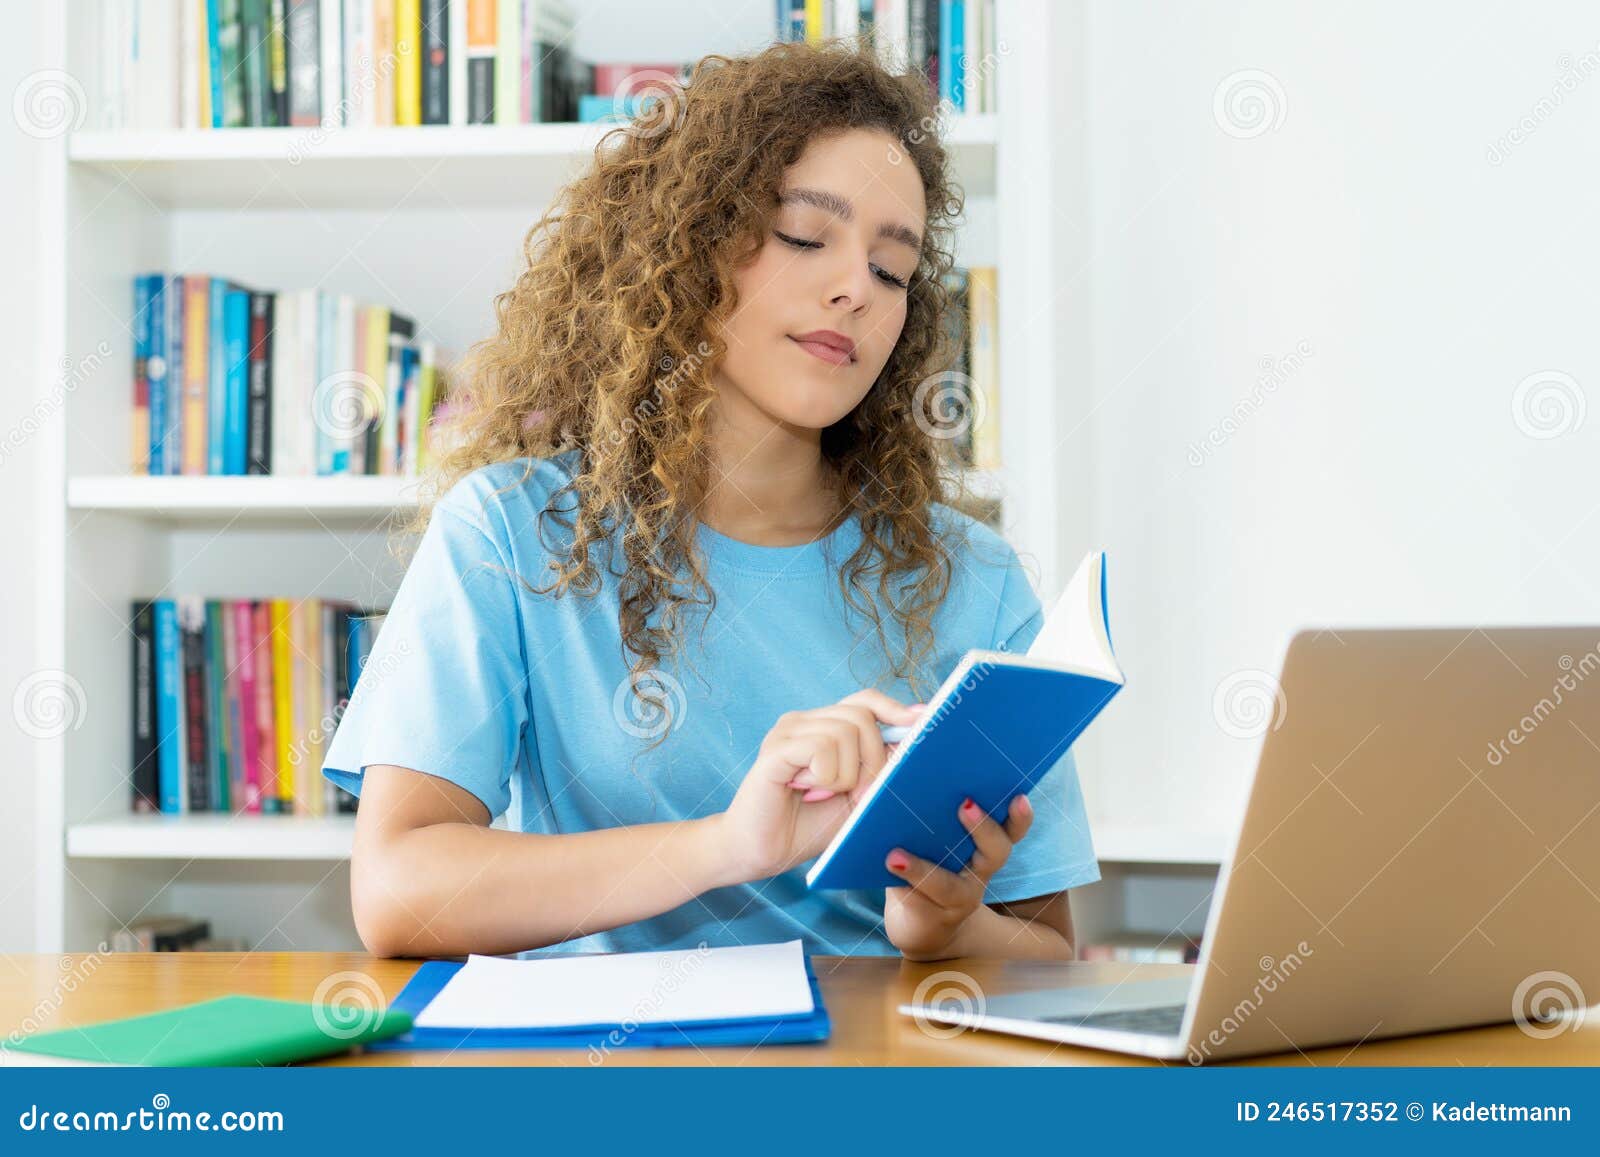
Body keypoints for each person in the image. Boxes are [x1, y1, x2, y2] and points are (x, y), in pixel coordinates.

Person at [321, 38, 1099, 961]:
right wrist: (729, 846)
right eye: (808, 237)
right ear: (693, 246)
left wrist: (947, 924)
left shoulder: (975, 578)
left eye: (892, 270)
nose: (855, 287)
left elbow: (1053, 952)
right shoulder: (510, 532)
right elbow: (399, 889)